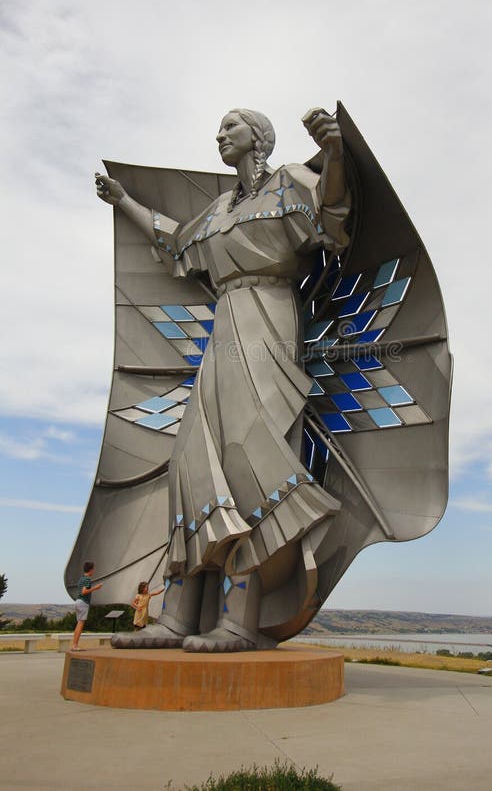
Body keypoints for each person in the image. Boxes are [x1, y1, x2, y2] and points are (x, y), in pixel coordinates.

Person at [97, 106, 351, 652]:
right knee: (193, 460)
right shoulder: (218, 210)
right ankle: (177, 617)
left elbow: (331, 218)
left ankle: (237, 620)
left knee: (248, 462)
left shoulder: (289, 182)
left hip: (269, 317)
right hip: (225, 328)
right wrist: (125, 203)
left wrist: (332, 152)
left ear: (257, 137)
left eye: (230, 126)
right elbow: (175, 244)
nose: (219, 135)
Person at [72, 561, 103, 651]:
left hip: (78, 601)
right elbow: (84, 591)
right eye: (93, 569)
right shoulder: (87, 579)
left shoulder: (81, 578)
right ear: (91, 570)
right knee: (80, 624)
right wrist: (96, 588)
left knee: (78, 624)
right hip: (83, 603)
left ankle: (74, 644)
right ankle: (75, 645)